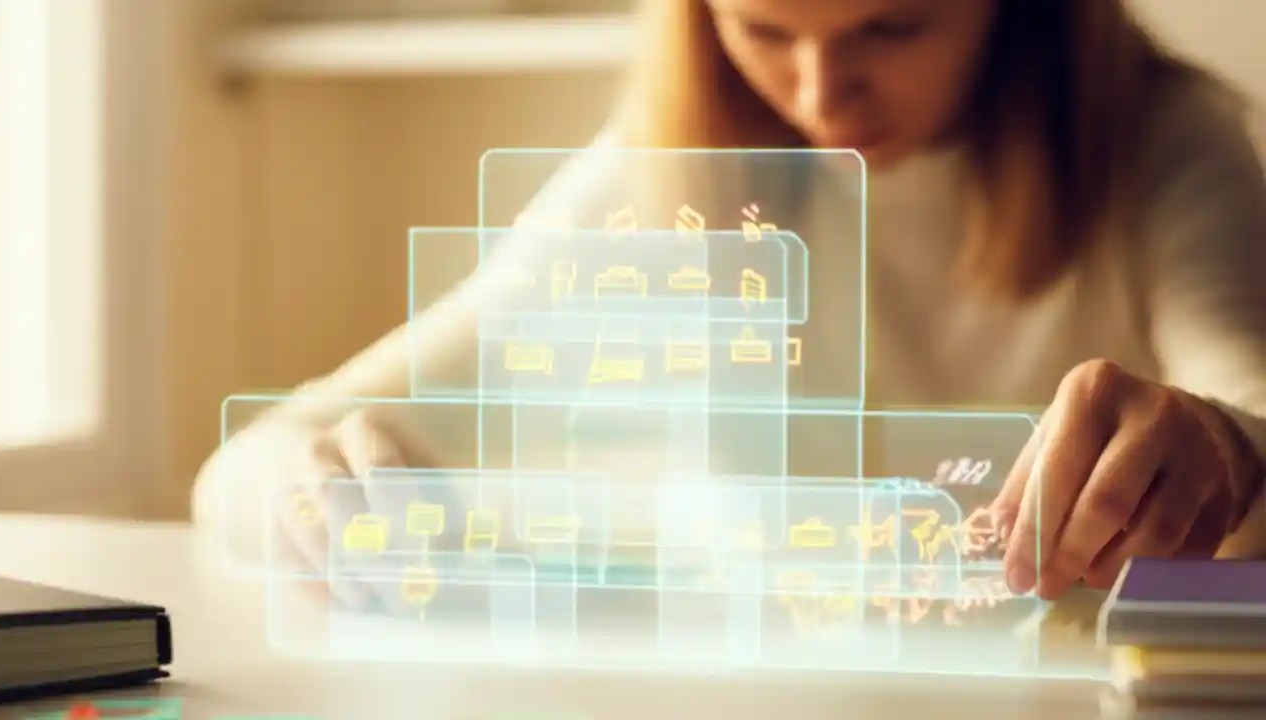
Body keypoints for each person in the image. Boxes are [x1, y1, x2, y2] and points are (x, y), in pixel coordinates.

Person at [194, 0, 1266, 602]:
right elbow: (253, 460)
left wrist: (1222, 443)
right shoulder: (669, 164)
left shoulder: (1162, 140)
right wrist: (306, 492)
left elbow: (1248, 407)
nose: (815, 94)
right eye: (762, 28)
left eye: (890, 28)